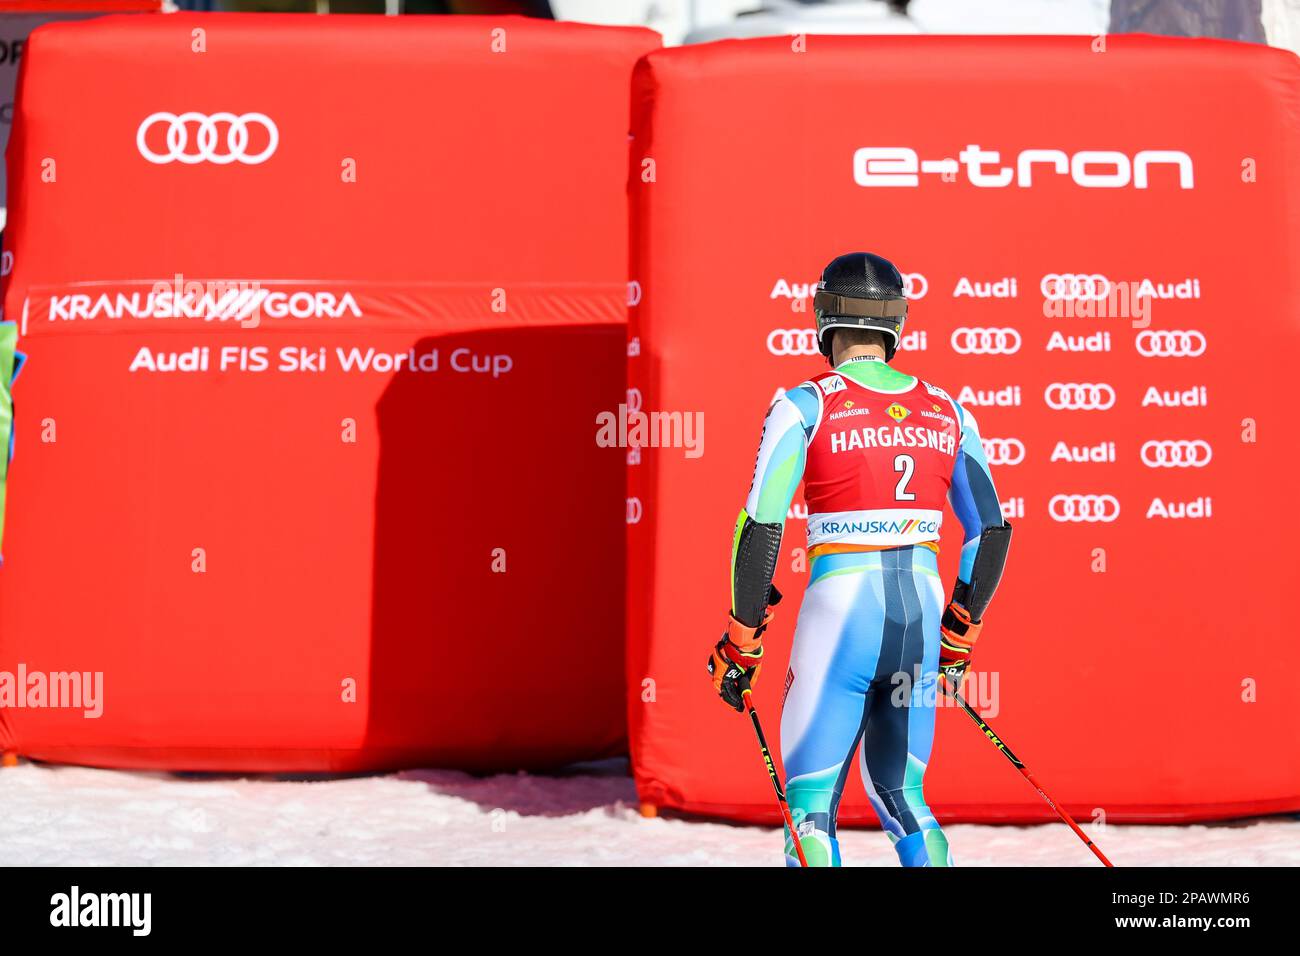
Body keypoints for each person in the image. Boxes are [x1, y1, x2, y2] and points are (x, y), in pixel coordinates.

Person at [707, 251, 1011, 867]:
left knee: (810, 808)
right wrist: (959, 633)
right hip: (921, 617)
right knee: (904, 798)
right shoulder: (948, 409)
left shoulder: (804, 402)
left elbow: (761, 524)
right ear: (896, 322)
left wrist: (742, 640)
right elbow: (992, 531)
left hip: (839, 611)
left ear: (823, 317)